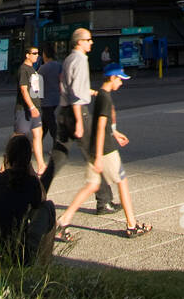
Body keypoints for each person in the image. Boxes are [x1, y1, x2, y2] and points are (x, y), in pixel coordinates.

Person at [55, 65, 152, 241]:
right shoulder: (105, 98)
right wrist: (99, 155)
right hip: (106, 150)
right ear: (113, 78)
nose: (121, 83)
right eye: (120, 79)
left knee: (91, 185)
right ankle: (132, 225)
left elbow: (103, 123)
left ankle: (62, 222)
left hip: (97, 147)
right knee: (122, 182)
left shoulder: (100, 95)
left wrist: (115, 133)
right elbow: (100, 126)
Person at [41, 29, 114, 213]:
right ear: (79, 42)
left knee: (58, 157)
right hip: (77, 113)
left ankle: (38, 194)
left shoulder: (68, 59)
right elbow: (75, 92)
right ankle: (104, 201)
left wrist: (89, 92)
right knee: (94, 153)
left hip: (64, 112)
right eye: (88, 40)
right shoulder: (81, 60)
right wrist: (80, 121)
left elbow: (66, 85)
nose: (91, 43)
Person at [0, 134, 56, 266]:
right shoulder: (30, 183)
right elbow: (42, 200)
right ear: (28, 162)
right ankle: (44, 267)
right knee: (48, 208)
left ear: (6, 158)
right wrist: (31, 171)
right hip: (14, 258)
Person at [14, 44, 44, 175]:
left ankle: (41, 165)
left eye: (38, 53)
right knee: (19, 139)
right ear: (27, 55)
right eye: (34, 53)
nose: (37, 56)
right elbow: (23, 89)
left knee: (38, 135)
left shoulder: (33, 69)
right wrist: (31, 106)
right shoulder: (23, 69)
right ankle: (6, 164)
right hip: (25, 109)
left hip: (36, 108)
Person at [38, 43, 61, 155]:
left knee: (51, 124)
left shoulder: (43, 68)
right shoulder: (58, 65)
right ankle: (37, 144)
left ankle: (56, 146)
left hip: (46, 99)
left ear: (45, 55)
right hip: (55, 97)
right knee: (45, 123)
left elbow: (37, 85)